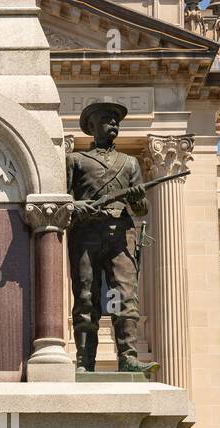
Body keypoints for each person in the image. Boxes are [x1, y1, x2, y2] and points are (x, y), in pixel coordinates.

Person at [66, 101, 160, 377]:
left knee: (124, 297)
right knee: (85, 297)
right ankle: (85, 361)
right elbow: (62, 203)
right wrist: (77, 206)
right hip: (86, 235)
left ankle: (128, 358)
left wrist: (137, 197)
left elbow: (142, 209)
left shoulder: (130, 163)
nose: (114, 124)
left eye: (116, 121)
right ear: (92, 126)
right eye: (107, 120)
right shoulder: (76, 161)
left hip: (120, 235)